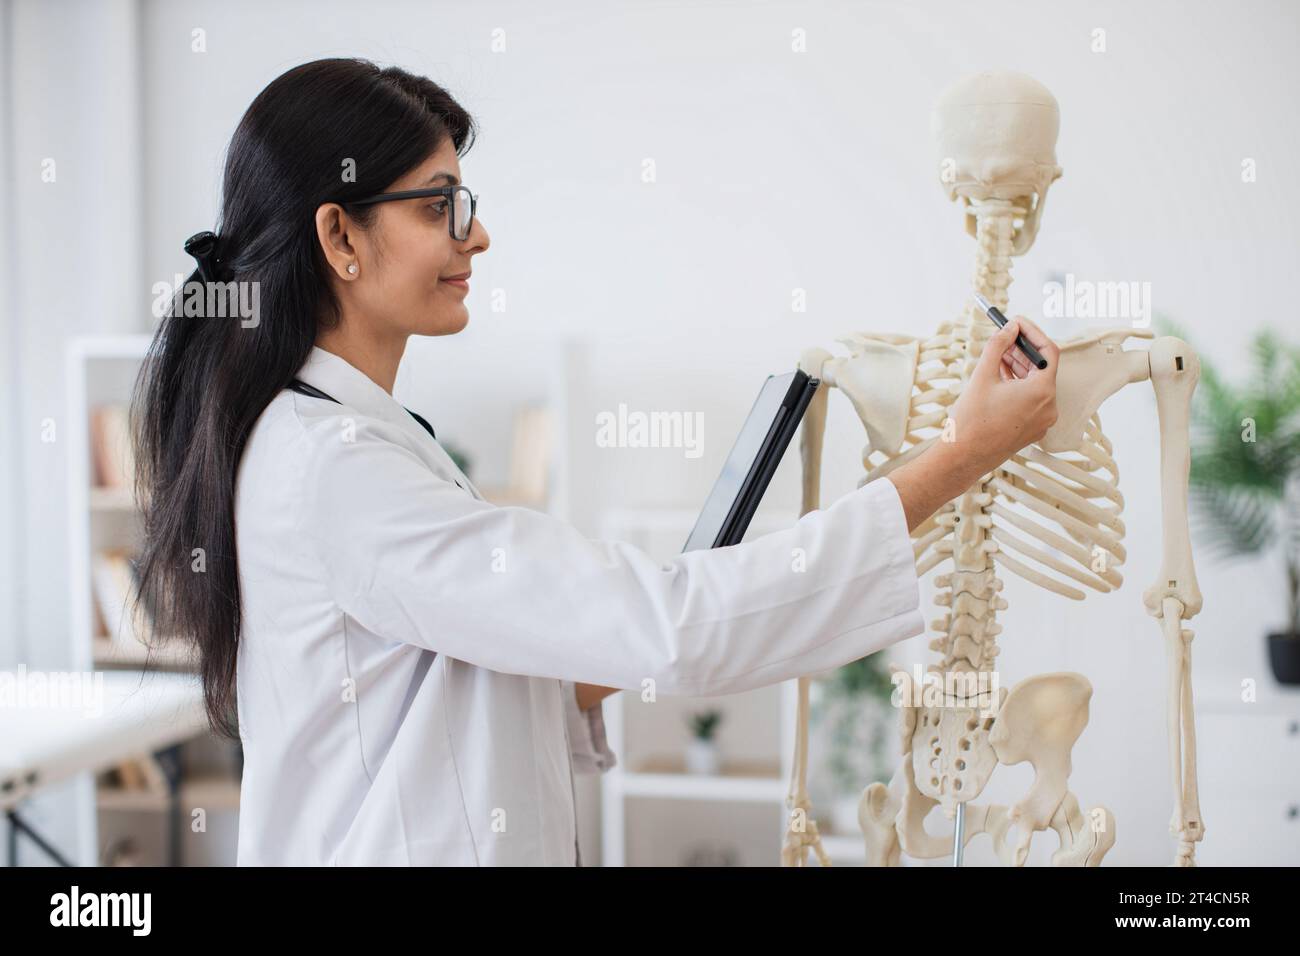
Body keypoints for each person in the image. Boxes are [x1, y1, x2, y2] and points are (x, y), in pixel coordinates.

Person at [132, 58, 1059, 866]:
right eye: (440, 206)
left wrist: (620, 632)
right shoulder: (337, 471)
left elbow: (479, 678)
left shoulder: (353, 439)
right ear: (340, 237)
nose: (476, 236)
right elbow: (678, 632)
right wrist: (962, 455)